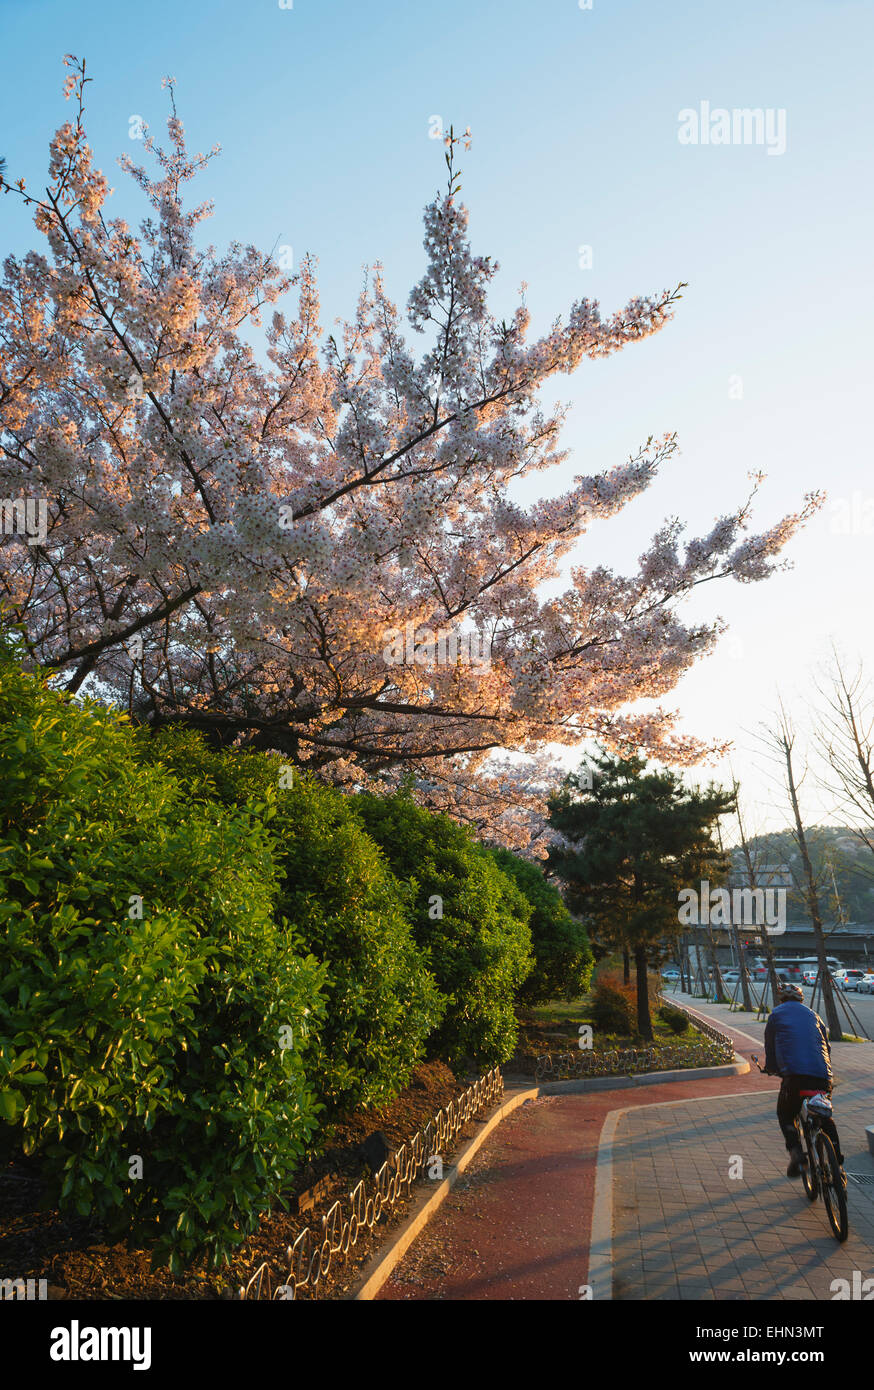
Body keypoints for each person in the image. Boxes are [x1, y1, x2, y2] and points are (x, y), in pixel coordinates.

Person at [762, 982, 845, 1180]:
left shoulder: (776, 1015)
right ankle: (838, 1168)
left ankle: (797, 1155)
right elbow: (827, 1047)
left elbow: (770, 1047)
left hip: (794, 1078)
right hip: (823, 1076)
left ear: (781, 999)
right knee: (825, 1116)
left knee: (785, 1114)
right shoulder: (814, 1016)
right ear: (801, 999)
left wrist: (772, 1068)